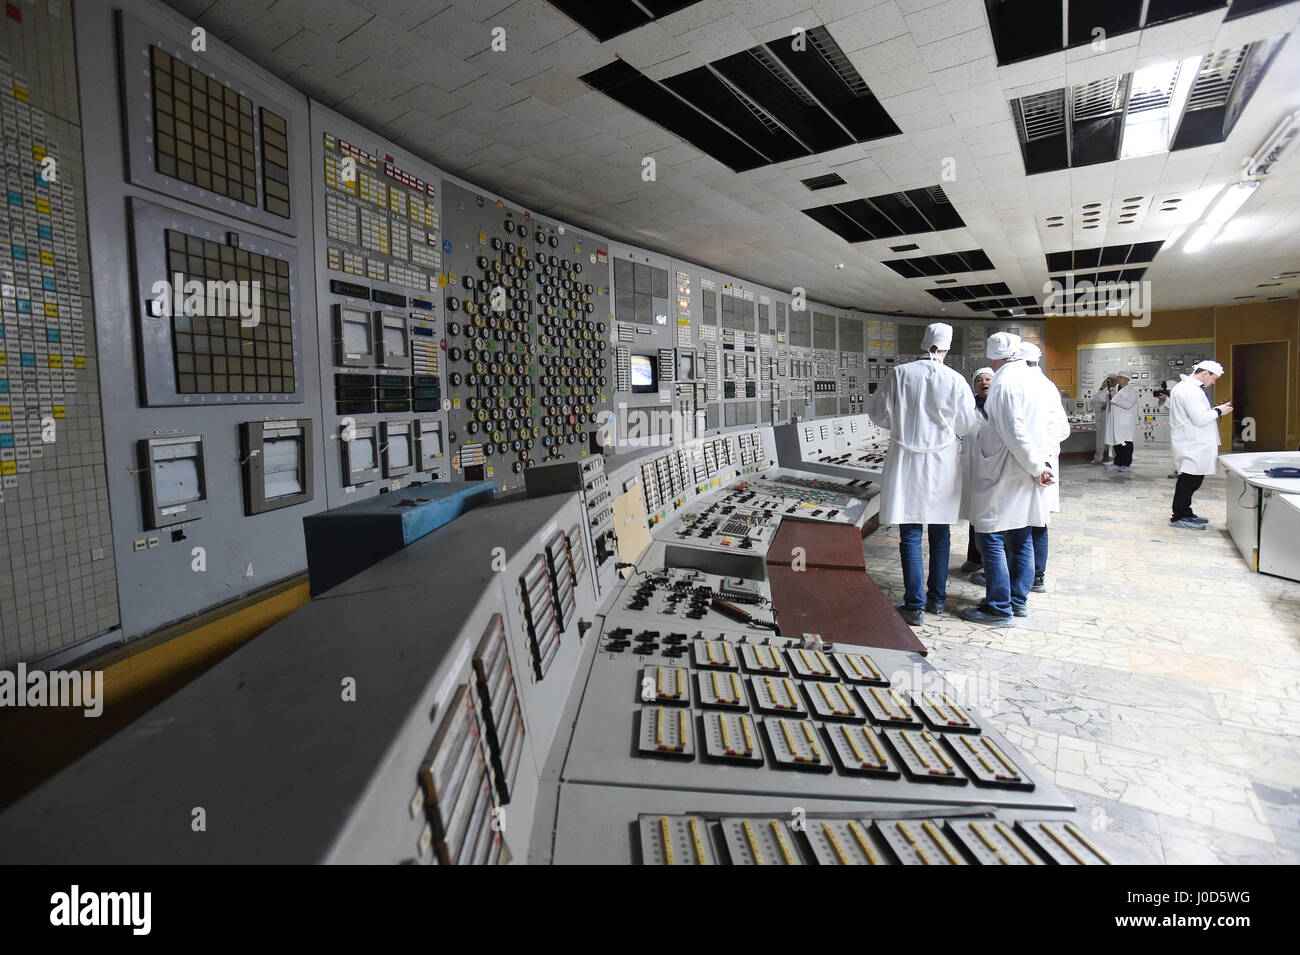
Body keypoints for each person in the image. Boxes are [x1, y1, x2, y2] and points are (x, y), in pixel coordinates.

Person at [866, 323, 978, 626]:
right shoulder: (956, 380)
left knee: (910, 535)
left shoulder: (900, 374)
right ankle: (936, 600)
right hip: (942, 464)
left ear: (923, 343)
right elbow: (966, 425)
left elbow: (876, 413)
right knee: (940, 536)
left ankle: (914, 605)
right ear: (947, 347)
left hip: (906, 462)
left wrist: (902, 424)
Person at [960, 332, 1056, 627]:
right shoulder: (1037, 380)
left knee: (989, 536)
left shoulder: (1005, 382)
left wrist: (1035, 466)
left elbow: (1013, 430)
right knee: (1021, 536)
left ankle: (999, 607)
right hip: (1027, 470)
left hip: (1008, 471)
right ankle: (1017, 601)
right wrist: (1044, 462)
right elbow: (1055, 426)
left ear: (992, 358)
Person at [1018, 342, 1070, 592]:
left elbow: (1060, 429)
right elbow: (1061, 429)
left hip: (1034, 465)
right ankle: (1035, 576)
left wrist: (1040, 461)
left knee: (1028, 523)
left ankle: (1031, 577)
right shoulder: (1047, 386)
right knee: (1035, 521)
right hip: (1038, 464)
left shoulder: (1023, 386)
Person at [1168, 360, 1231, 530]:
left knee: (1192, 479)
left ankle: (1186, 512)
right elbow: (1199, 418)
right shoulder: (1190, 390)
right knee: (1189, 480)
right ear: (1205, 373)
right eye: (1214, 378)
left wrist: (1214, 410)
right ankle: (1179, 516)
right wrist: (1219, 411)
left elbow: (1197, 414)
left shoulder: (1187, 388)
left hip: (1192, 441)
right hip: (1192, 442)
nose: (1214, 382)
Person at [959, 366, 994, 575]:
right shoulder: (967, 407)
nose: (984, 383)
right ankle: (974, 557)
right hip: (973, 466)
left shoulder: (1001, 405)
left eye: (988, 379)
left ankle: (993, 562)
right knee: (975, 514)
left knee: (994, 515)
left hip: (995, 468)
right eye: (979, 380)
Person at [1103, 372, 1139, 471]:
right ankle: (1117, 462)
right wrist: (1108, 392)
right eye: (1118, 377)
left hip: (1125, 422)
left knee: (1126, 442)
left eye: (1121, 377)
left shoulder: (1132, 391)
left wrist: (1115, 396)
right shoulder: (1114, 389)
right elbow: (1108, 402)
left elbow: (1127, 405)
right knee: (1116, 443)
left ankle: (1126, 464)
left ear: (1127, 379)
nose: (1118, 379)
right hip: (1114, 420)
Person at [1089, 376, 1113, 464]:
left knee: (1115, 440)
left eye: (1113, 380)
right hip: (1102, 419)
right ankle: (1098, 458)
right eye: (1108, 380)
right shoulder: (1100, 392)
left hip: (1112, 419)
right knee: (1100, 440)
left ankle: (1116, 458)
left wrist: (1106, 405)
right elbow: (1092, 403)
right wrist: (1101, 406)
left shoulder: (1116, 391)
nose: (1110, 382)